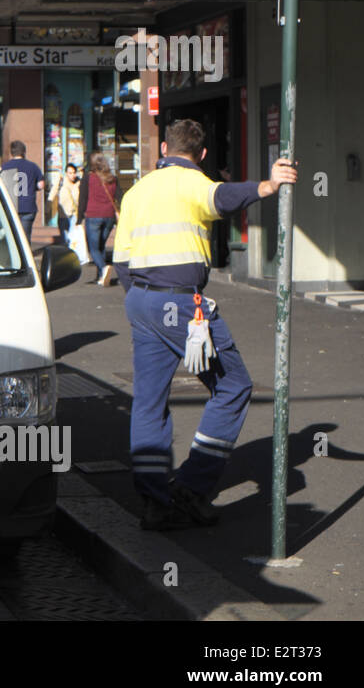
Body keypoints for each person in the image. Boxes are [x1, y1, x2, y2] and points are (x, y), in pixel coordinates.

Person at [111, 119, 297, 530]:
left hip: (141, 301)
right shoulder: (190, 182)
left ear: (163, 147)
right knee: (233, 387)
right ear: (203, 154)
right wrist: (266, 186)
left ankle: (155, 503)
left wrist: (144, 300)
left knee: (148, 401)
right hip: (179, 301)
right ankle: (192, 488)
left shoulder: (138, 190)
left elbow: (120, 260)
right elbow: (222, 196)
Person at [77, 150, 120, 285]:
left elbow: (82, 199)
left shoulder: (88, 178)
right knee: (101, 246)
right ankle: (101, 277)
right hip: (109, 216)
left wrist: (79, 219)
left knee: (93, 248)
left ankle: (103, 268)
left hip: (93, 215)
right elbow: (120, 196)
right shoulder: (112, 178)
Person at [1, 140, 44, 240]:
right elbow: (41, 185)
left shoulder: (5, 167)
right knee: (25, 237)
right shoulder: (33, 166)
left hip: (11, 206)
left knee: (12, 237)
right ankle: (25, 255)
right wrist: (32, 187)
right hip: (28, 206)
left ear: (12, 153)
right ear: (24, 152)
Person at [49, 163, 81, 244]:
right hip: (63, 214)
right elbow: (53, 192)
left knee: (73, 238)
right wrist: (49, 204)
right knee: (65, 239)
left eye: (74, 173)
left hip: (75, 214)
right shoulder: (61, 181)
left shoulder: (79, 183)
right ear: (66, 173)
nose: (72, 175)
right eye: (70, 173)